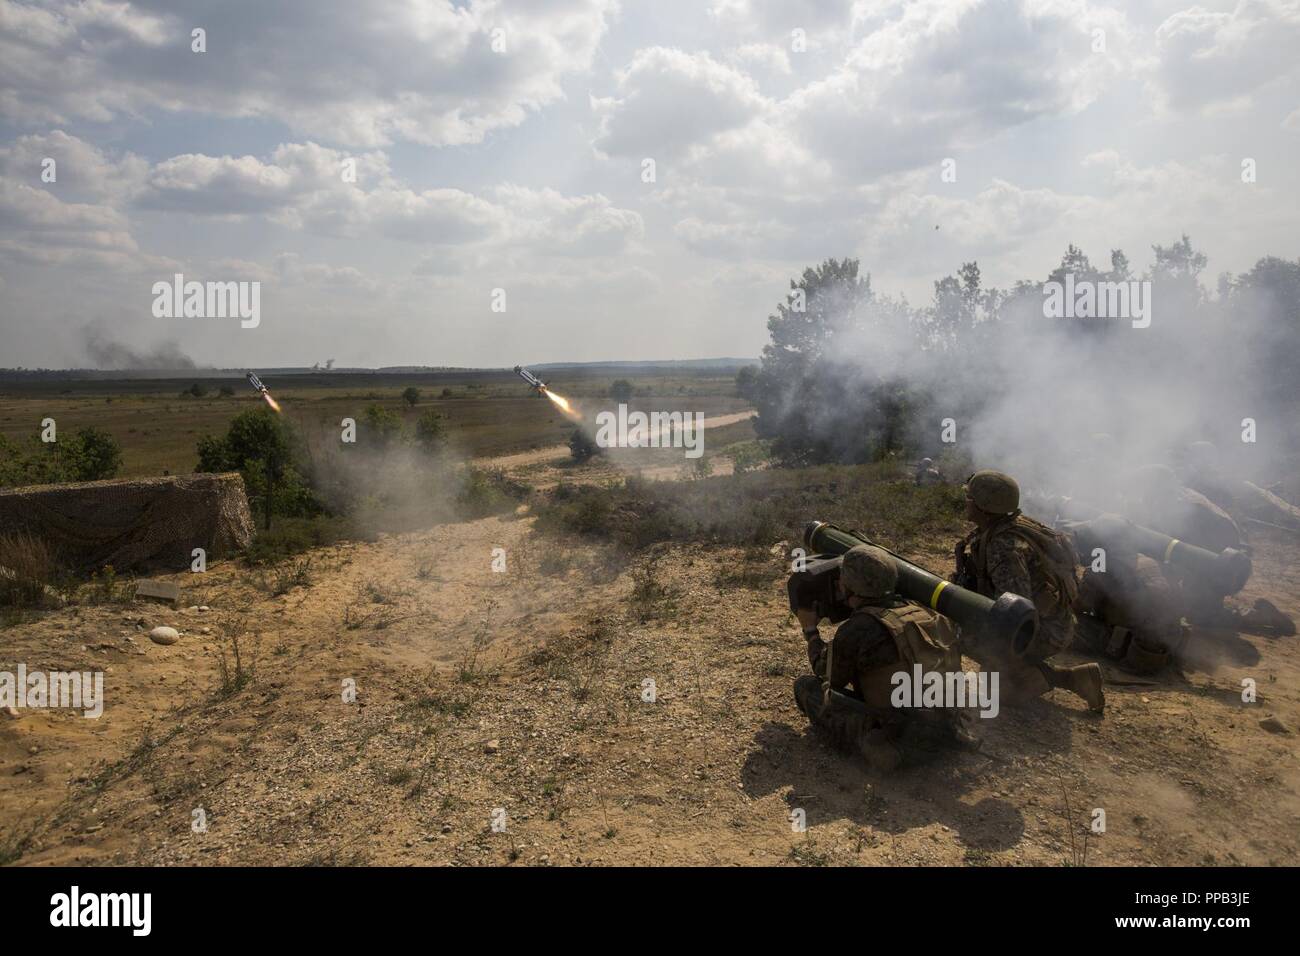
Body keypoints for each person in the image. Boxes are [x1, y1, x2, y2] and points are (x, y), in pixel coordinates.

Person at [793, 544, 974, 770]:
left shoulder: (860, 628)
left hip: (902, 735)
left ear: (849, 587)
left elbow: (827, 673)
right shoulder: (926, 611)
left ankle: (888, 750)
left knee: (805, 687)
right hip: (946, 723)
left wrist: (810, 631)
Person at [953, 470, 1105, 712]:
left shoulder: (1003, 546)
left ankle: (1068, 679)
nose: (966, 502)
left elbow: (1017, 609)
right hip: (1053, 622)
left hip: (1043, 629)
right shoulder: (1012, 526)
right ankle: (1068, 677)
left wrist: (973, 623)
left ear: (984, 506)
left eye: (970, 498)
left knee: (965, 640)